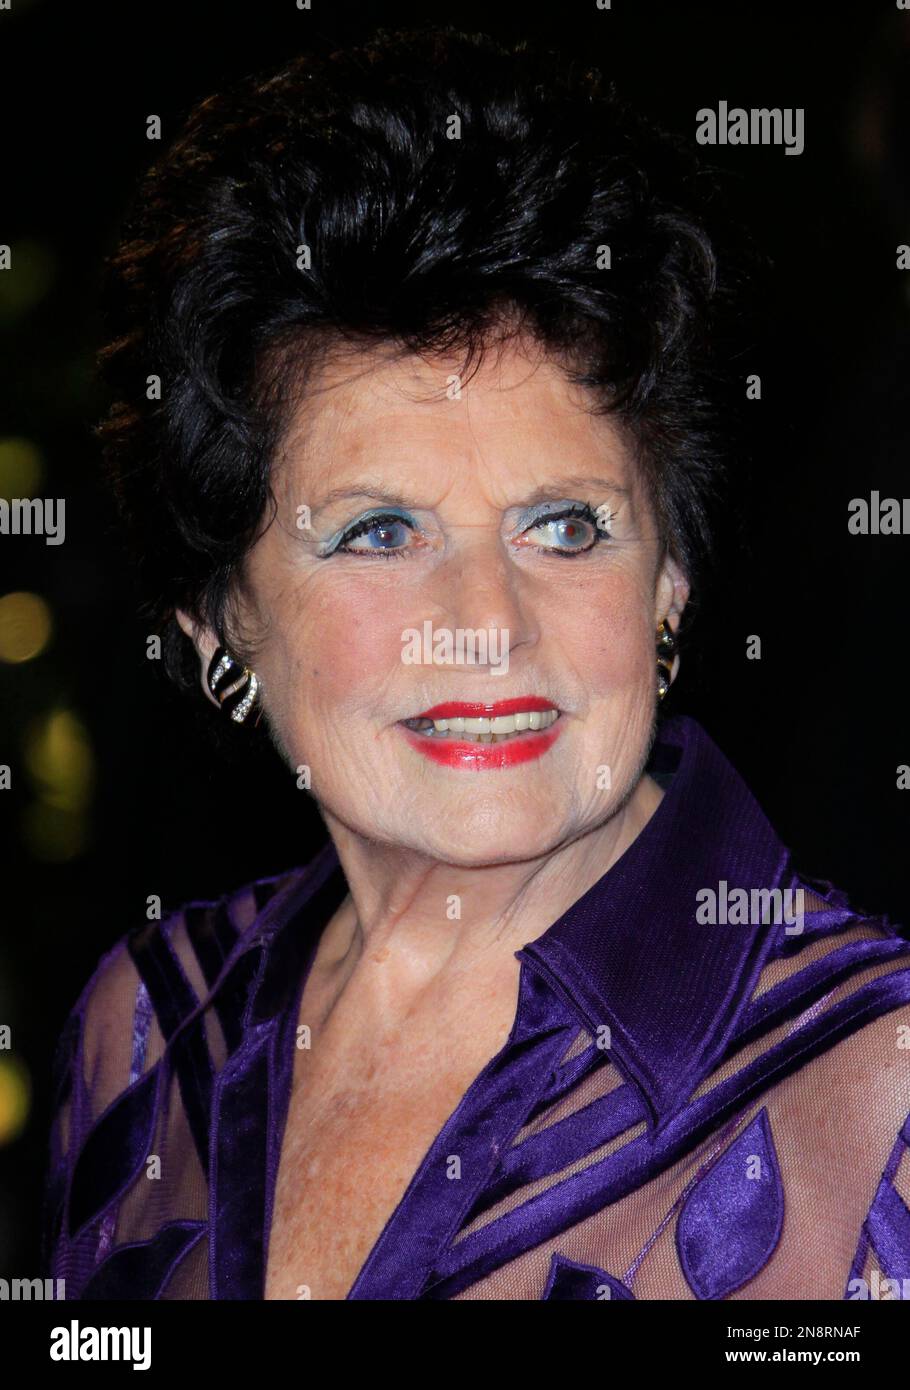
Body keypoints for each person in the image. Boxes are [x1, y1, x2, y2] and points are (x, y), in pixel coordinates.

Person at [41, 25, 910, 1301]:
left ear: (667, 580)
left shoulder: (873, 1083)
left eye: (564, 527)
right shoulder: (145, 1031)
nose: (487, 625)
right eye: (380, 533)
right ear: (217, 622)